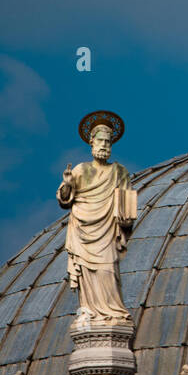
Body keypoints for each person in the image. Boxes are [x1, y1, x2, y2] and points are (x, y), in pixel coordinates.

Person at [57, 121, 134, 327]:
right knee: (87, 276)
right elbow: (65, 199)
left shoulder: (120, 172)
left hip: (108, 231)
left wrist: (126, 216)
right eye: (100, 141)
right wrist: (67, 183)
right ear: (92, 143)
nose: (104, 146)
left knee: (108, 271)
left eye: (108, 142)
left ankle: (112, 313)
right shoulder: (81, 170)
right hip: (83, 230)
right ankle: (90, 311)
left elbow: (127, 207)